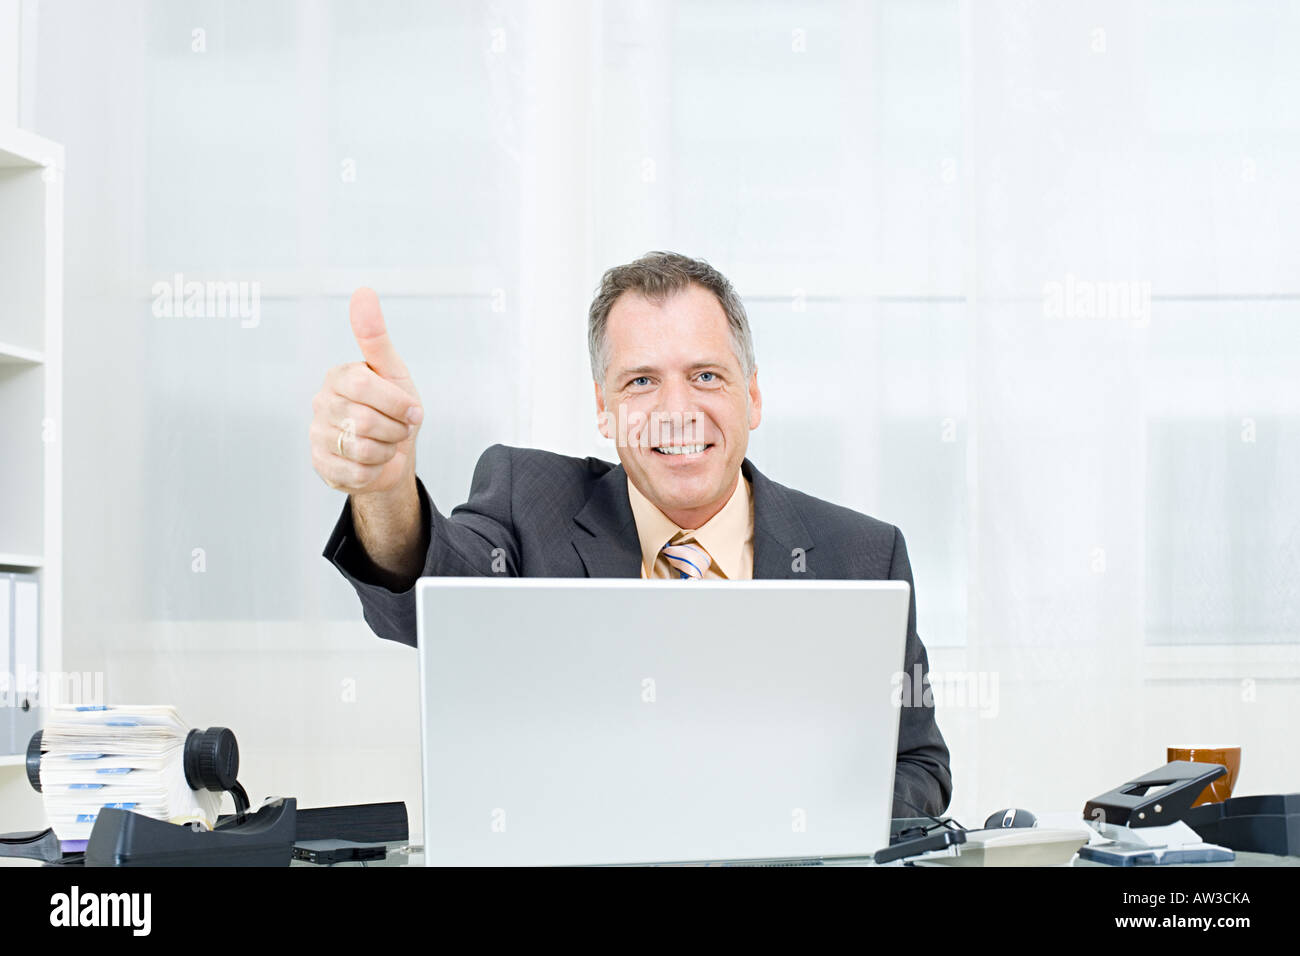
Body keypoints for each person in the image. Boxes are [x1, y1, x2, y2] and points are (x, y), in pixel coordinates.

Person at [310, 251, 953, 816]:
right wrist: (384, 487)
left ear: (751, 397)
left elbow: (918, 769)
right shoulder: (530, 505)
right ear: (603, 409)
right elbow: (432, 594)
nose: (676, 411)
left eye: (706, 376)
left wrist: (788, 816)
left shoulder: (863, 557)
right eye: (642, 382)